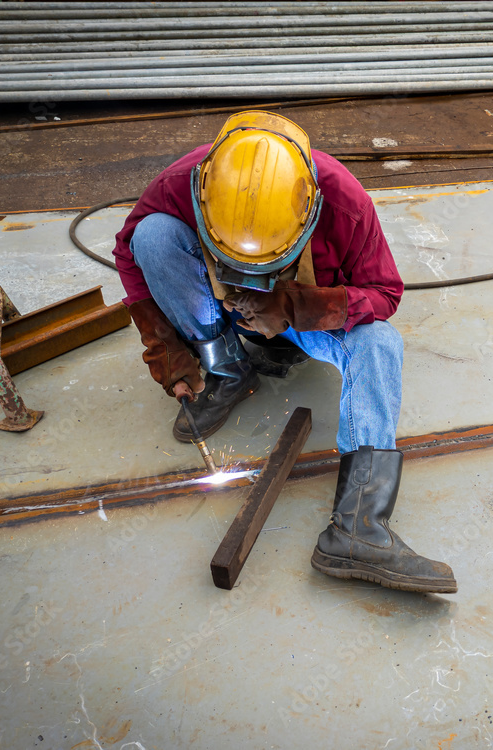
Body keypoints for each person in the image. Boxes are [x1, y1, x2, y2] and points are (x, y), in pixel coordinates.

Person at [113, 111, 455, 594]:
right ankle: (227, 368)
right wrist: (165, 346)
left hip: (303, 322)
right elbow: (129, 249)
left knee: (379, 341)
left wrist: (294, 307)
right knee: (153, 236)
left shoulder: (343, 199)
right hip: (221, 310)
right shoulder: (185, 181)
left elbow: (385, 294)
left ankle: (357, 526)